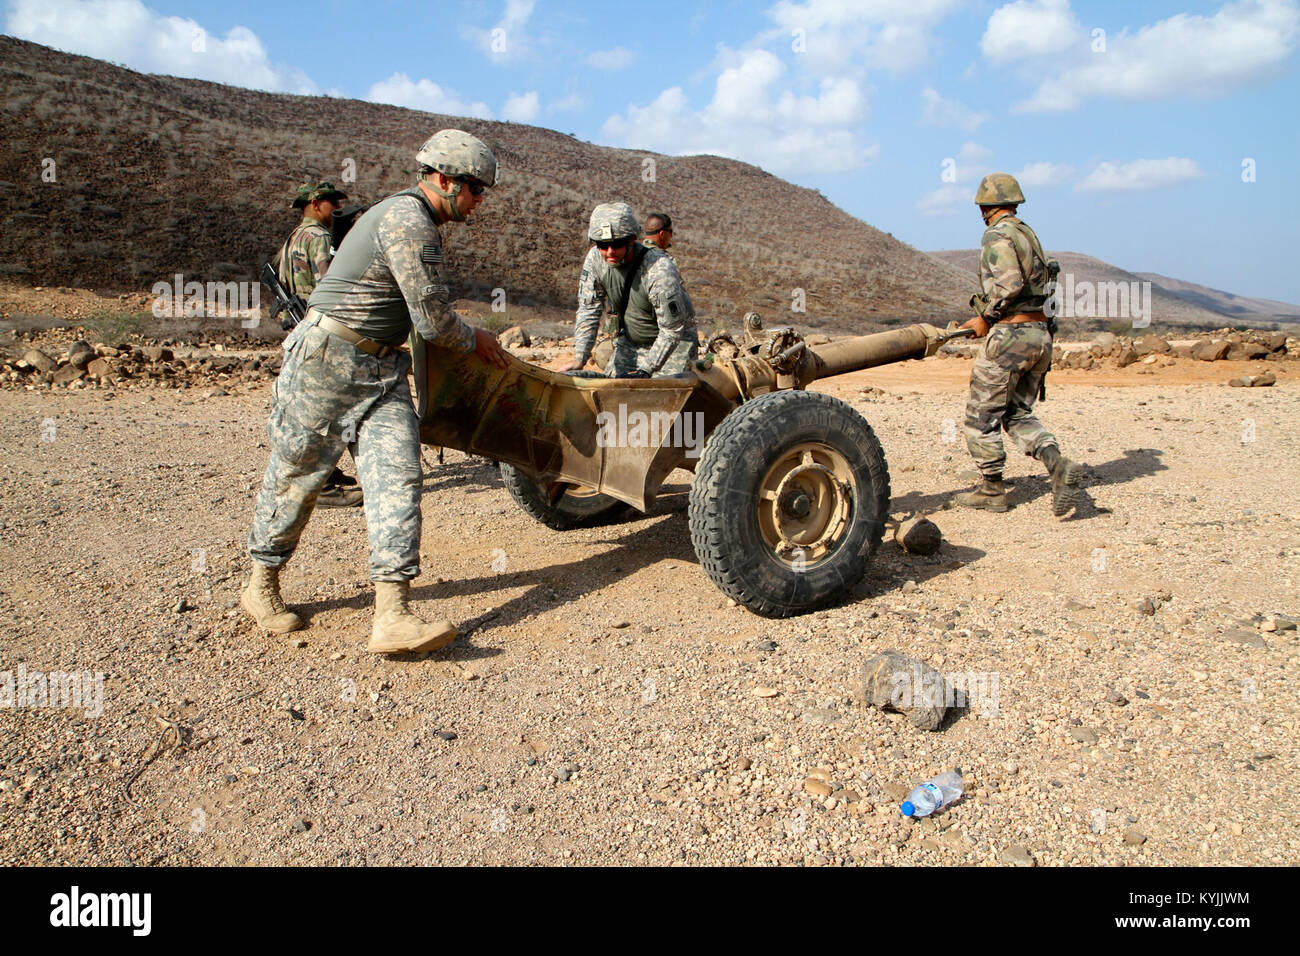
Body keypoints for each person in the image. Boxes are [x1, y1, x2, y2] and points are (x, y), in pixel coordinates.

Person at [243, 130, 511, 654]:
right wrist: (474, 339)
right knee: (300, 475)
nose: (479, 200)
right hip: (329, 362)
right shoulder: (409, 222)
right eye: (475, 188)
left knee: (397, 479)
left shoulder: (416, 221)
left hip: (383, 367)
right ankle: (260, 584)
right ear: (443, 179)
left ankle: (392, 614)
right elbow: (433, 321)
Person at [952, 172, 1083, 517]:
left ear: (984, 206)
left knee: (982, 416)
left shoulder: (997, 235)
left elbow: (1008, 285)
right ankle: (1057, 466)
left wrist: (986, 319)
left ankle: (992, 489)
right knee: (1018, 413)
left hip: (1011, 337)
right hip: (1040, 335)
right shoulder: (1028, 235)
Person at [276, 180, 363, 508]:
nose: (335, 210)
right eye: (331, 204)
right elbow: (333, 285)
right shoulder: (319, 238)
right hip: (322, 332)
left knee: (317, 406)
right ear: (315, 204)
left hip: (301, 330)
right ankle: (320, 484)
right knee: (331, 408)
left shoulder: (294, 238)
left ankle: (324, 471)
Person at [554, 202, 697, 378]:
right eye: (603, 245)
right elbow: (589, 310)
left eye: (617, 244)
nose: (610, 252)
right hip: (631, 342)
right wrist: (580, 358)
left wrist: (646, 370)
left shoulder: (659, 268)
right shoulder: (595, 261)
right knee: (612, 391)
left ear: (631, 239)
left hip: (674, 345)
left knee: (659, 397)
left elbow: (672, 329)